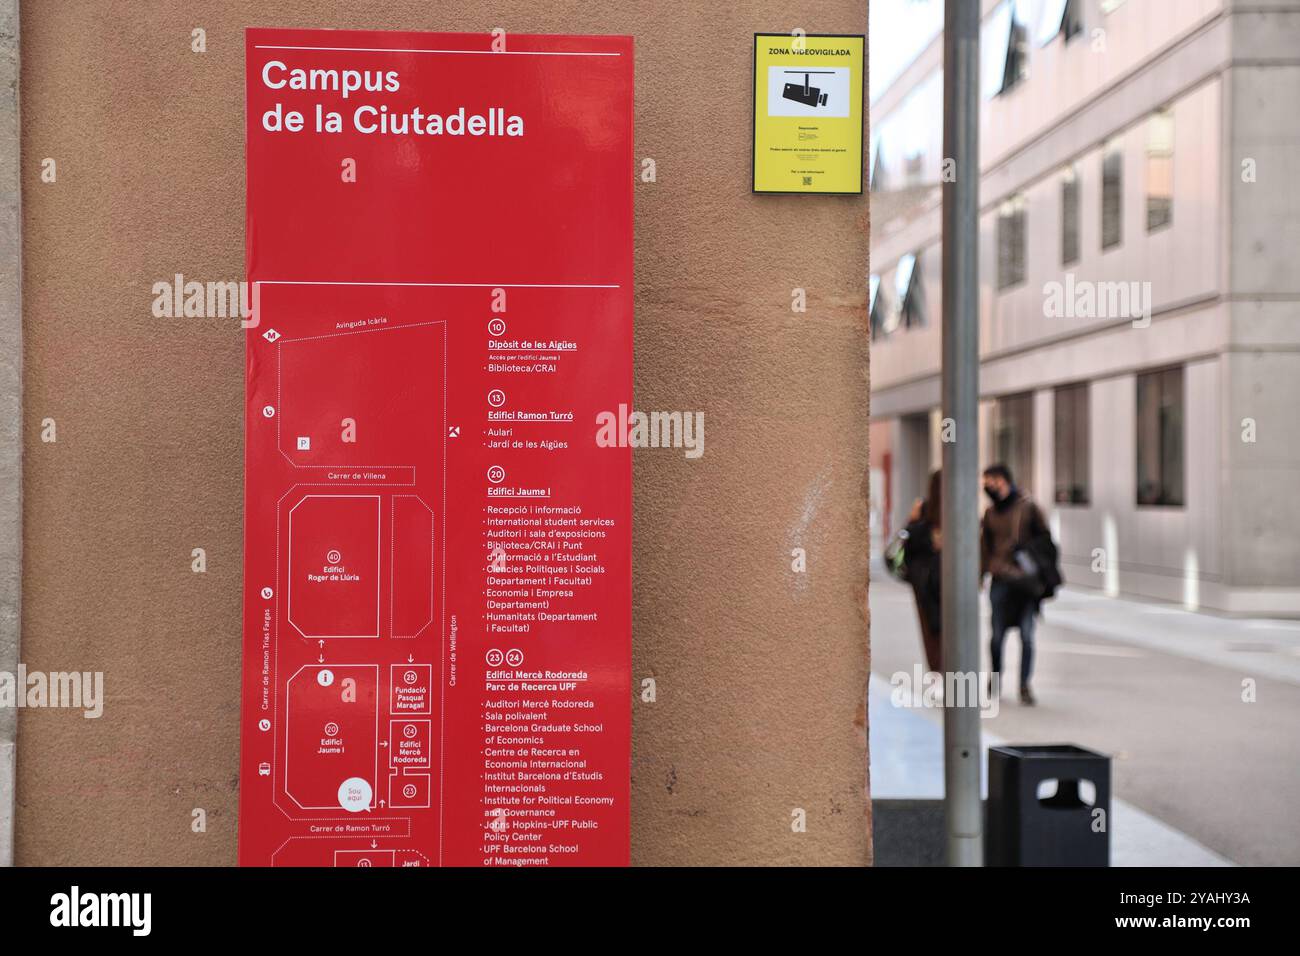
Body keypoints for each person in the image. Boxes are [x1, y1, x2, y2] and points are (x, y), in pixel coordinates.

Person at [979, 463, 1060, 706]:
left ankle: (1024, 684)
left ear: (1003, 480)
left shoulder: (1028, 508)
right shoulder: (990, 513)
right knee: (996, 637)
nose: (987, 487)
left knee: (1027, 636)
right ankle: (995, 679)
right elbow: (985, 547)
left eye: (991, 482)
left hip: (1025, 583)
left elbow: (1047, 541)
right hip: (1000, 580)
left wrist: (1027, 552)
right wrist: (981, 574)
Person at [903, 470, 943, 673]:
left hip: (923, 583)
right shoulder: (959, 511)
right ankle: (951, 676)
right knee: (950, 630)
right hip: (941, 581)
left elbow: (907, 543)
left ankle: (939, 672)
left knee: (931, 632)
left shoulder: (922, 510)